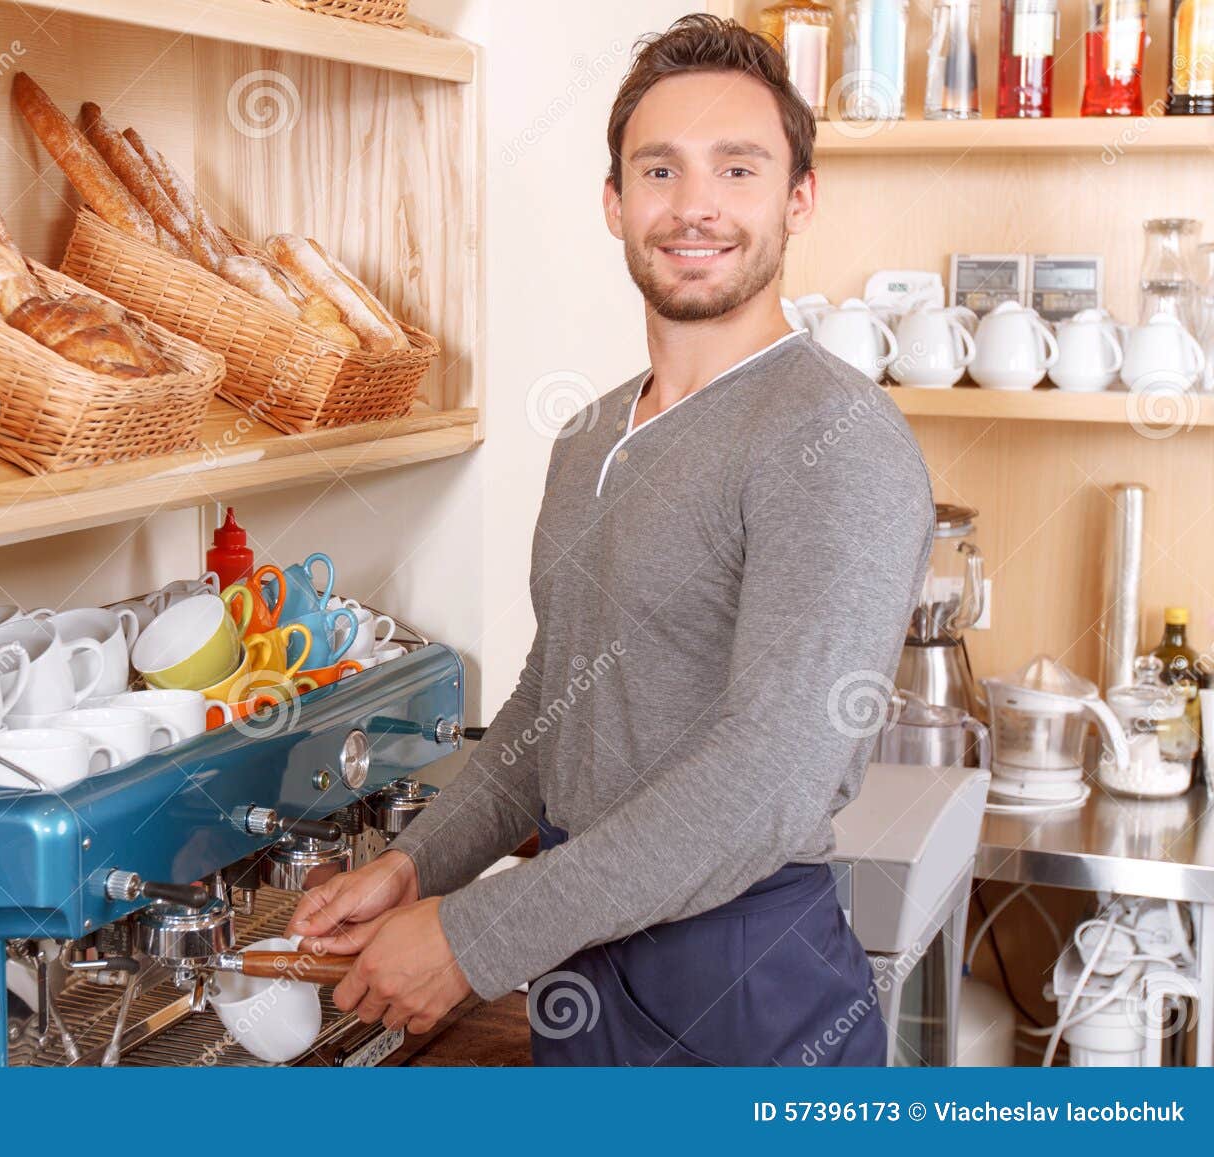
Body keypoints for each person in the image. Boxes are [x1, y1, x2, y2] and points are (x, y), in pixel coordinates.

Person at [285, 13, 934, 1066]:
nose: (695, 206)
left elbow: (763, 788)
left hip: (744, 988)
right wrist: (418, 867)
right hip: (580, 967)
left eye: (738, 167)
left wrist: (477, 933)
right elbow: (552, 711)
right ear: (614, 201)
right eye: (659, 169)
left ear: (798, 198)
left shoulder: (836, 441)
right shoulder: (590, 434)